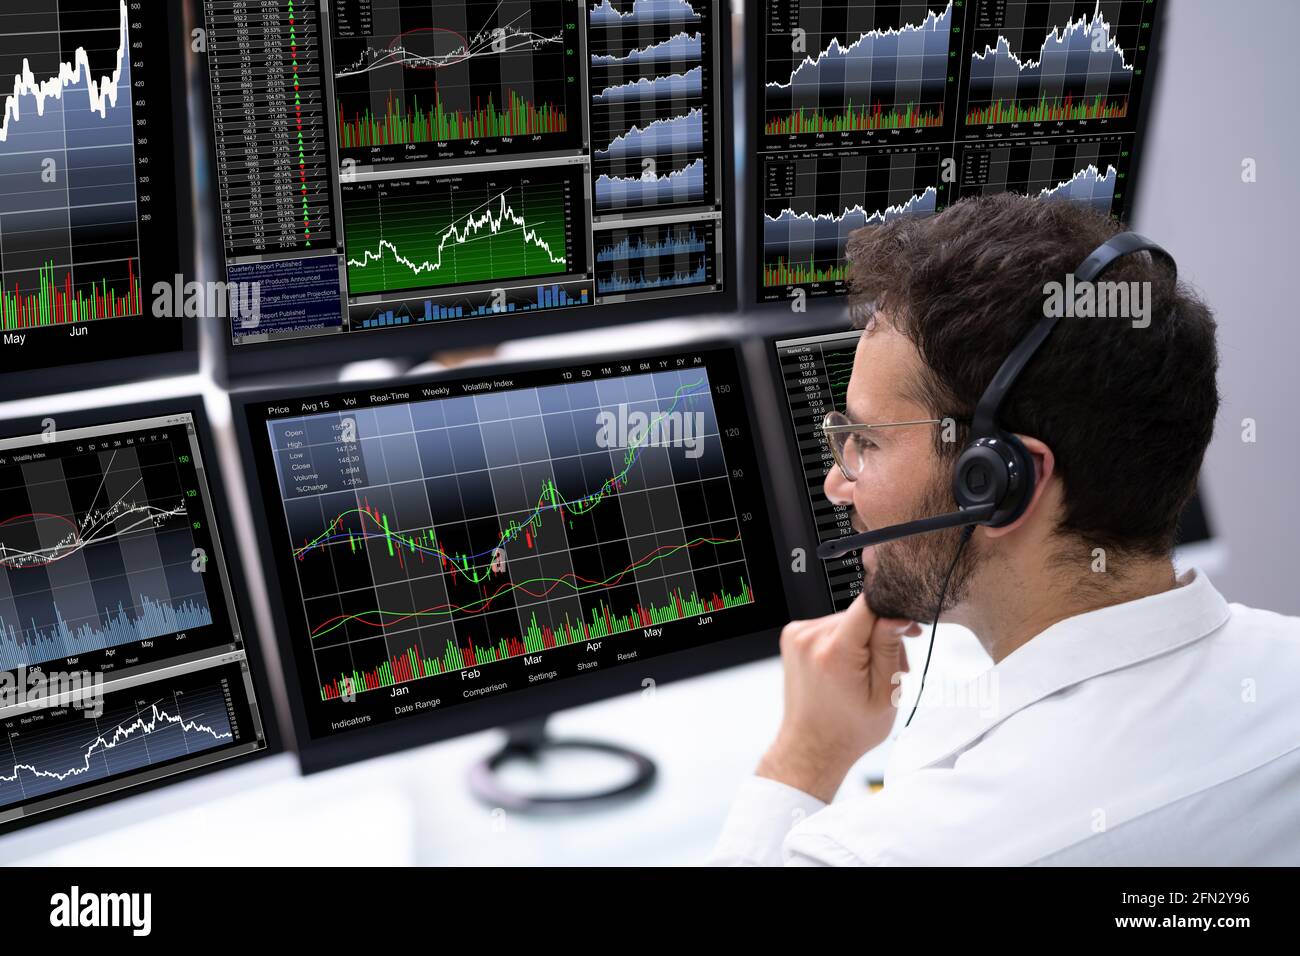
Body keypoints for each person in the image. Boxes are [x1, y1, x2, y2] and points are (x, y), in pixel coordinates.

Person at [708, 194, 1300, 865]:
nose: (837, 483)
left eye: (865, 442)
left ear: (999, 481)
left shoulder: (882, 854)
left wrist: (804, 759)